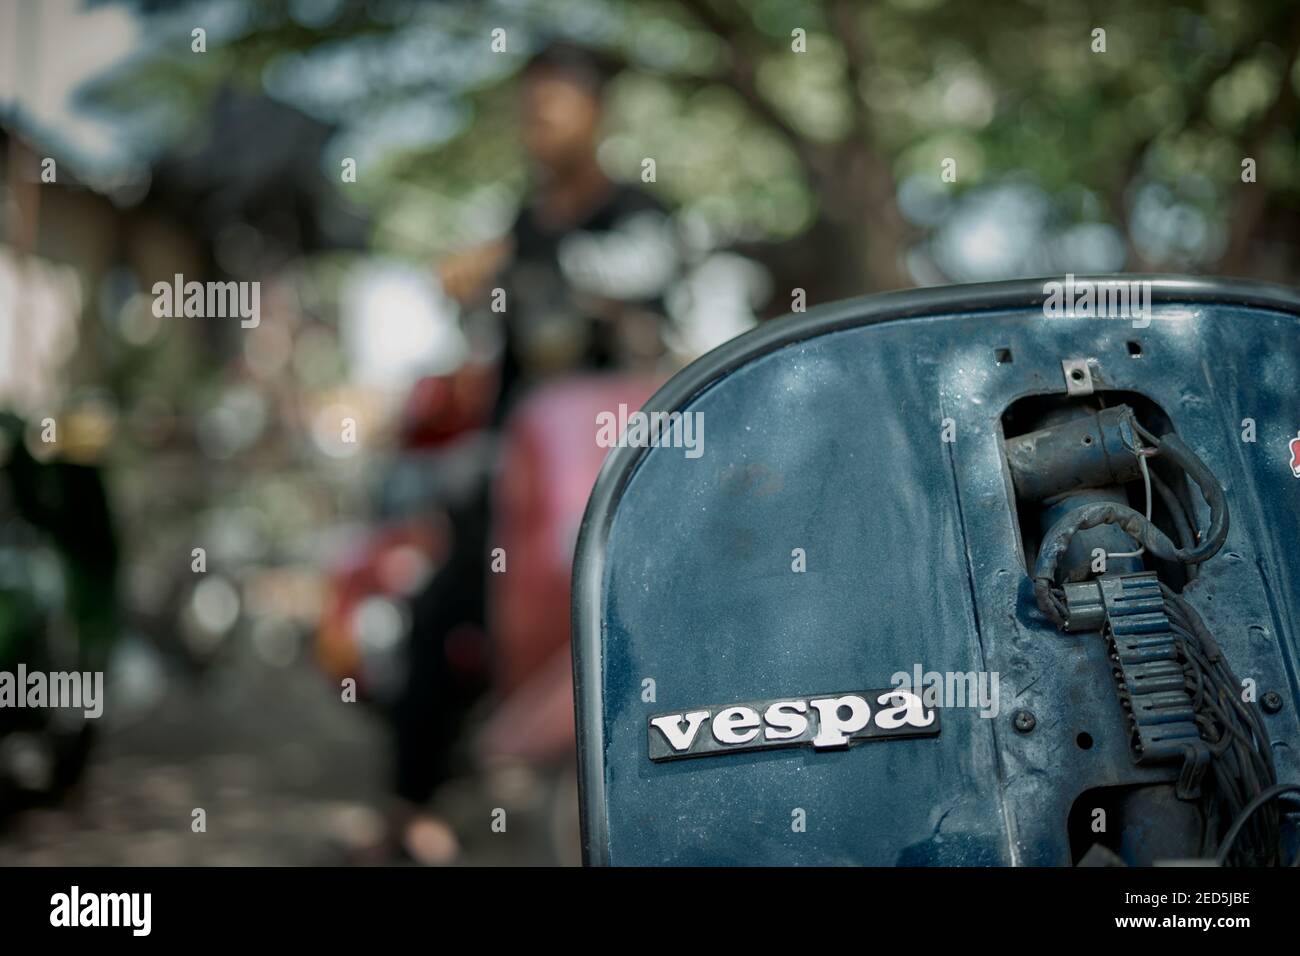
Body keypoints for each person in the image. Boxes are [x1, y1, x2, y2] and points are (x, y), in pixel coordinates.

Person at [378, 42, 681, 866]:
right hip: (517, 472)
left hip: (612, 466)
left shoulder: (639, 215)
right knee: (442, 603)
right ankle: (413, 808)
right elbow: (479, 312)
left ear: (594, 114)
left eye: (553, 107)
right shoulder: (522, 220)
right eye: (529, 109)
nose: (537, 125)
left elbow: (648, 314)